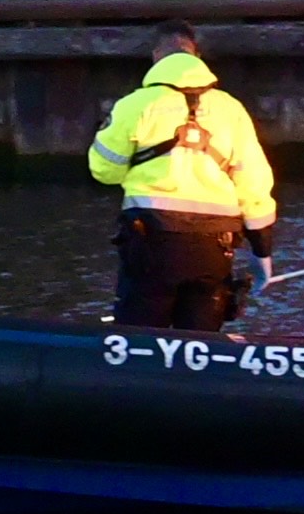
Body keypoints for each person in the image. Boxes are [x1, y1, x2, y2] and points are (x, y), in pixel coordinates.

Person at [89, 19, 276, 331]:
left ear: (156, 57)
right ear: (197, 56)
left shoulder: (135, 105)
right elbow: (255, 186)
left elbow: (103, 170)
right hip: (214, 244)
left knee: (141, 336)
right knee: (202, 337)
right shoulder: (232, 110)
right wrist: (262, 251)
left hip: (152, 238)